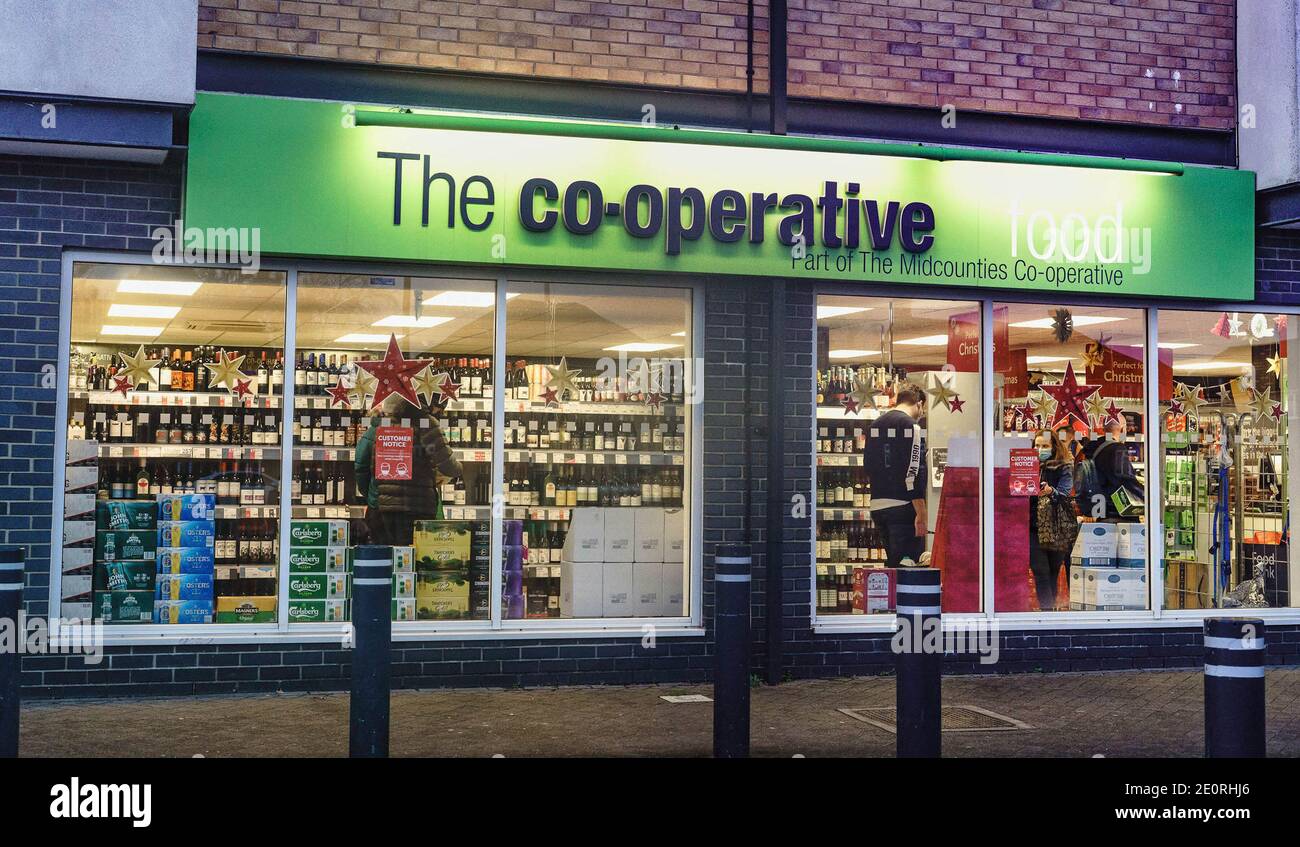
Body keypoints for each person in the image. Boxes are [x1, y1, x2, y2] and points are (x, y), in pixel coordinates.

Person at [354, 393, 463, 546]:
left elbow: (361, 465)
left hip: (380, 510)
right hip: (417, 508)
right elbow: (450, 467)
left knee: (384, 560)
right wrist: (457, 468)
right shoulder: (426, 424)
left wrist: (374, 495)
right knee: (410, 560)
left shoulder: (380, 423)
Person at [863, 383, 928, 568]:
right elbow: (914, 468)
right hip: (903, 506)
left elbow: (868, 465)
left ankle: (890, 596)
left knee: (892, 564)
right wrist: (921, 511)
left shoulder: (875, 424)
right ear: (919, 403)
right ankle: (903, 597)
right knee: (907, 566)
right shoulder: (911, 426)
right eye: (922, 409)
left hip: (878, 505)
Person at [1029, 428, 1074, 611]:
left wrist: (1050, 491)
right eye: (1037, 445)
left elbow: (1065, 494)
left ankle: (1050, 613)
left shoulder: (1064, 466)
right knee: (1040, 570)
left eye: (1045, 446)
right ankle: (1046, 611)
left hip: (1057, 525)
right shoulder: (1027, 465)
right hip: (1032, 525)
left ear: (1054, 447)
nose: (1040, 450)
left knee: (1054, 570)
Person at [1080, 415, 1144, 520]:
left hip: (1100, 508)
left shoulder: (1092, 449)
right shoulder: (1117, 449)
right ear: (1123, 429)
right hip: (1118, 511)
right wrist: (1147, 496)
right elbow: (1127, 479)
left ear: (1104, 429)